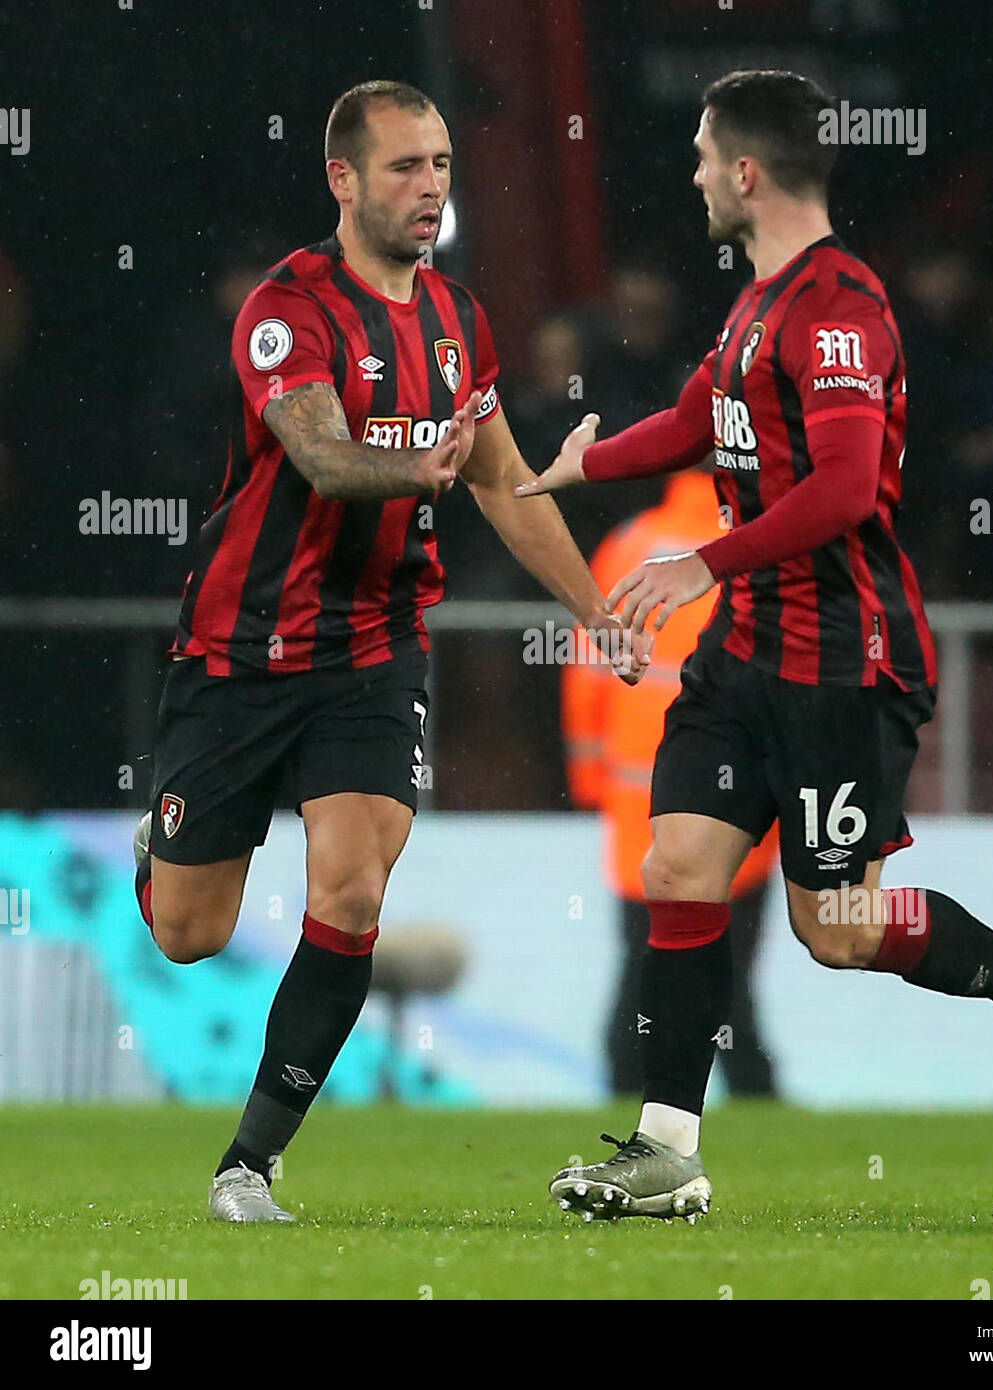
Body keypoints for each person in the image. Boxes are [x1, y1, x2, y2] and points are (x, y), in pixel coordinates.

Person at [516, 69, 993, 1224]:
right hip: (742, 656)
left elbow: (840, 487)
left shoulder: (840, 308)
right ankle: (667, 1146)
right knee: (676, 868)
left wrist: (700, 563)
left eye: (698, 155)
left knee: (832, 929)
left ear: (743, 169)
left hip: (842, 657)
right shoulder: (754, 304)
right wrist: (589, 463)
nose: (687, 174)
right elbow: (695, 419)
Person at [133, 79, 649, 1223]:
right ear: (343, 179)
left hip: (374, 646)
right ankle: (157, 846)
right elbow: (316, 450)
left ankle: (249, 1163)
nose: (431, 189)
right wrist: (409, 469)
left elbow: (506, 485)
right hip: (241, 647)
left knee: (354, 887)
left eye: (443, 167)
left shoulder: (458, 318)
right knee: (186, 934)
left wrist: (592, 607)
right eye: (407, 167)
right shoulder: (287, 309)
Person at [563, 465, 780, 1098]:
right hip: (739, 800)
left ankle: (632, 1085)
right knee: (729, 965)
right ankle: (751, 1087)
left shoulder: (629, 545)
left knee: (645, 958)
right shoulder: (761, 551)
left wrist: (588, 775)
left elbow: (586, 668)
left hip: (639, 800)